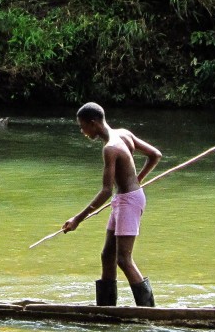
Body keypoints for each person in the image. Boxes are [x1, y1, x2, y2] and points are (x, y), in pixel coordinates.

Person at [62, 103, 161, 307]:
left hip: (128, 201)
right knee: (107, 254)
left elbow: (106, 190)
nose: (83, 132)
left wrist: (77, 219)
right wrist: (137, 180)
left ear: (94, 123)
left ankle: (149, 310)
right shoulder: (123, 134)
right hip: (125, 198)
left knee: (123, 259)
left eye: (83, 127)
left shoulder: (110, 148)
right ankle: (106, 307)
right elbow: (155, 155)